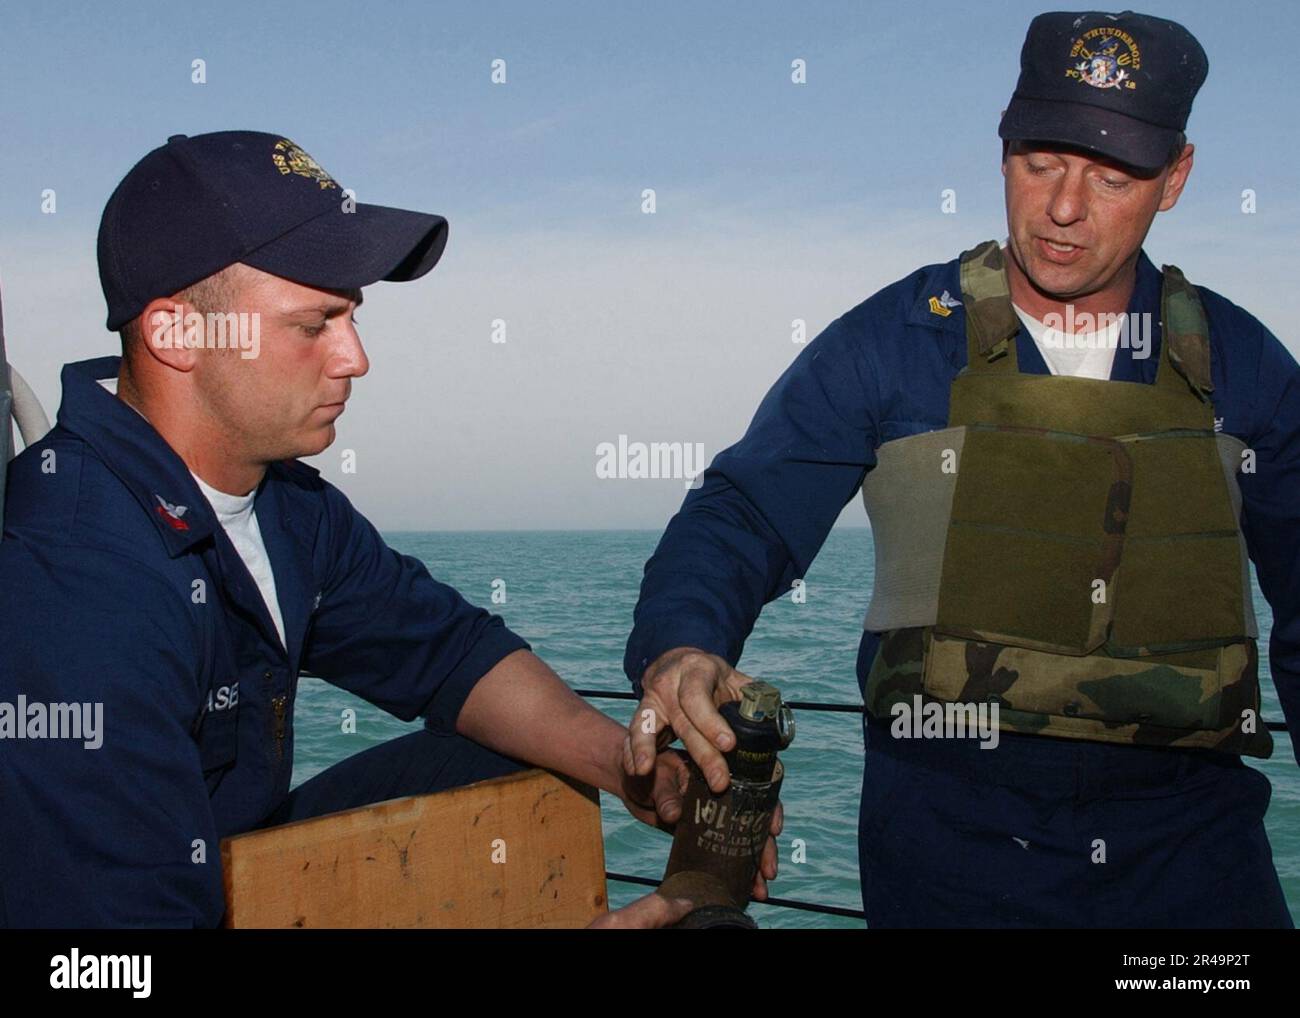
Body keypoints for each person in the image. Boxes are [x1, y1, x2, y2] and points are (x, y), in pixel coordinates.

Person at [0, 130, 778, 928]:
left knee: (513, 762)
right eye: (316, 324)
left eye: (354, 318)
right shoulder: (72, 577)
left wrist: (627, 767)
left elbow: (446, 653)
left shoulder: (287, 506)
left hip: (228, 865)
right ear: (175, 334)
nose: (357, 358)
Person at [623, 10, 1298, 928]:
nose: (1064, 208)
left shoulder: (1241, 361)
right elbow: (743, 512)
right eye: (1041, 161)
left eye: (1113, 176)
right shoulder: (895, 342)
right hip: (954, 862)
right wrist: (682, 644)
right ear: (1002, 147)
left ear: (1174, 178)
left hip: (1193, 867)